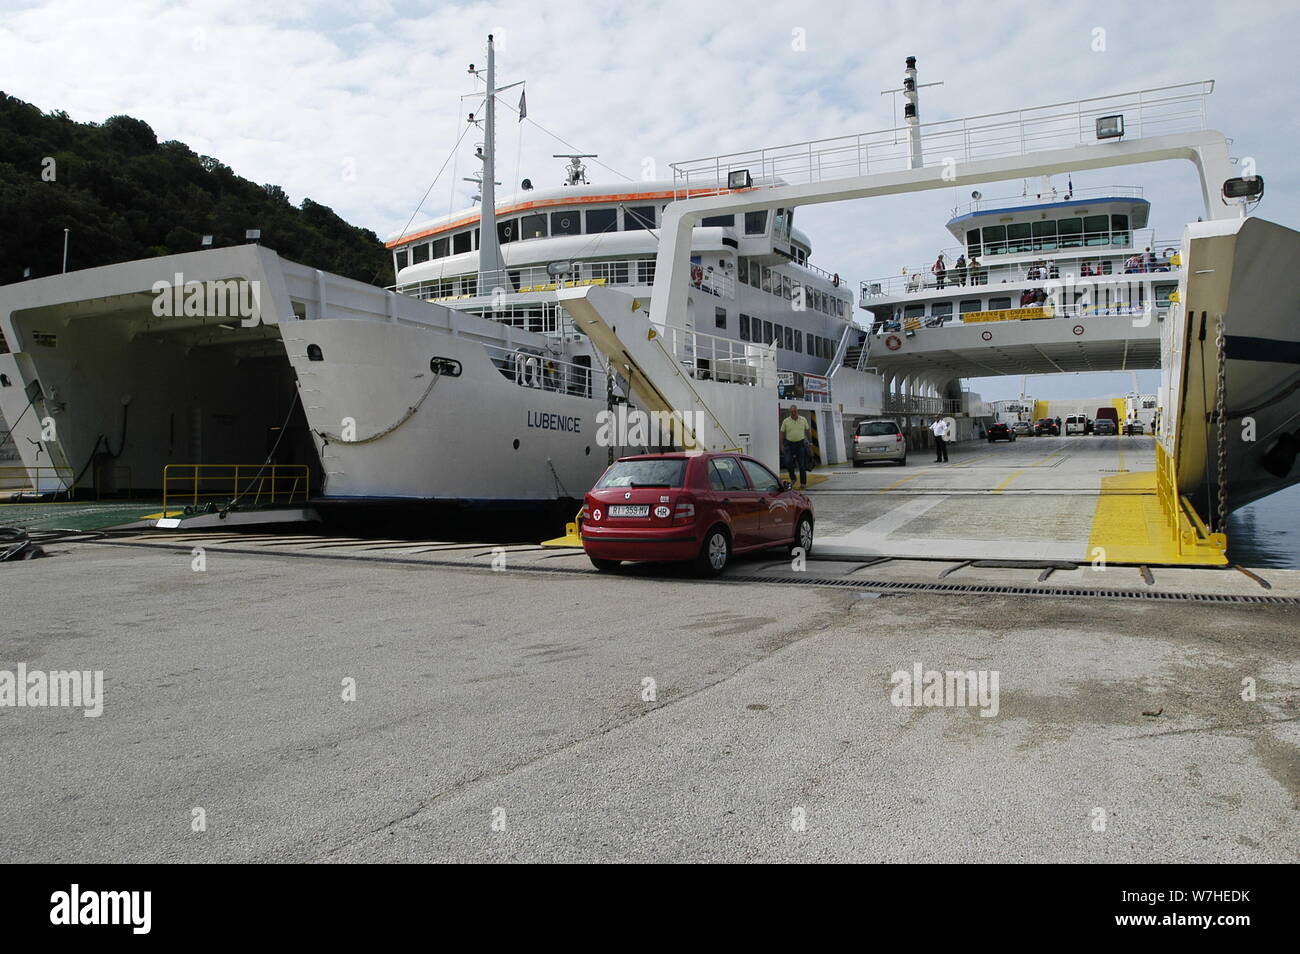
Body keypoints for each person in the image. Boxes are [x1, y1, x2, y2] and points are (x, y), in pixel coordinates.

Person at [780, 404, 811, 488]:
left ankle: (803, 483)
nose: (793, 413)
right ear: (790, 412)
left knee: (802, 464)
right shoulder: (786, 421)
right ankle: (793, 478)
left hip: (800, 444)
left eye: (795, 411)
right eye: (792, 412)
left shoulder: (803, 420)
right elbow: (782, 433)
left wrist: (810, 442)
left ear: (797, 411)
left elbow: (807, 431)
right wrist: (781, 445)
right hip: (789, 444)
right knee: (788, 462)